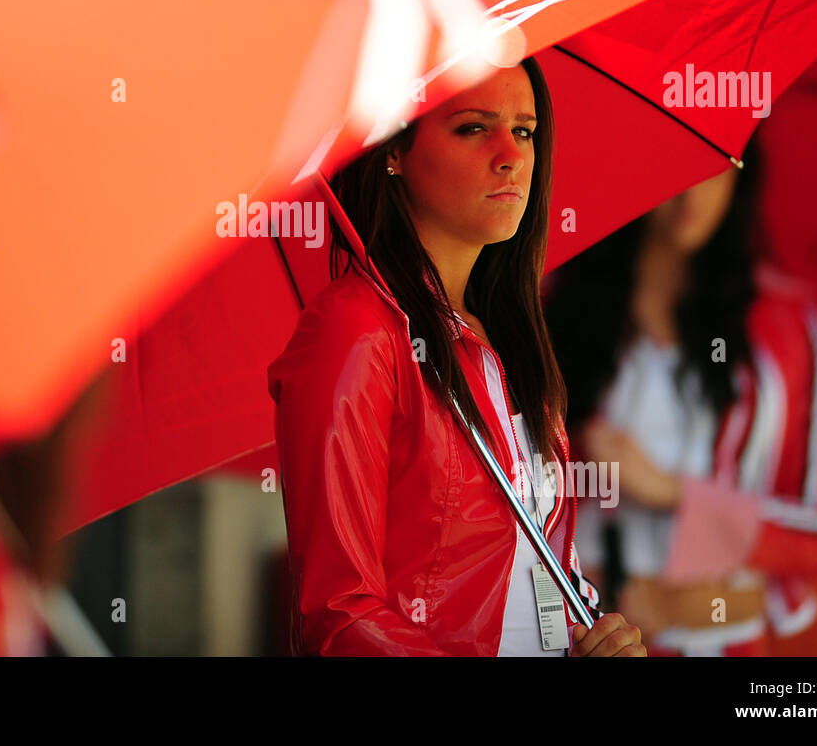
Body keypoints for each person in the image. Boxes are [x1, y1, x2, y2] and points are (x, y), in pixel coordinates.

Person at [267, 56, 644, 656]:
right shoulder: (356, 330)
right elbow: (339, 616)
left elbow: (534, 564)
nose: (511, 154)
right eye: (473, 127)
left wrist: (591, 631)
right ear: (393, 150)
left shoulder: (510, 337)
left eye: (524, 130)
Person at [544, 142, 817, 656]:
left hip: (723, 640)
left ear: (742, 179)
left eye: (717, 170)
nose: (692, 196)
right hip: (579, 635)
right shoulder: (553, 309)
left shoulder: (790, 328)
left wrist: (668, 489)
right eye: (675, 167)